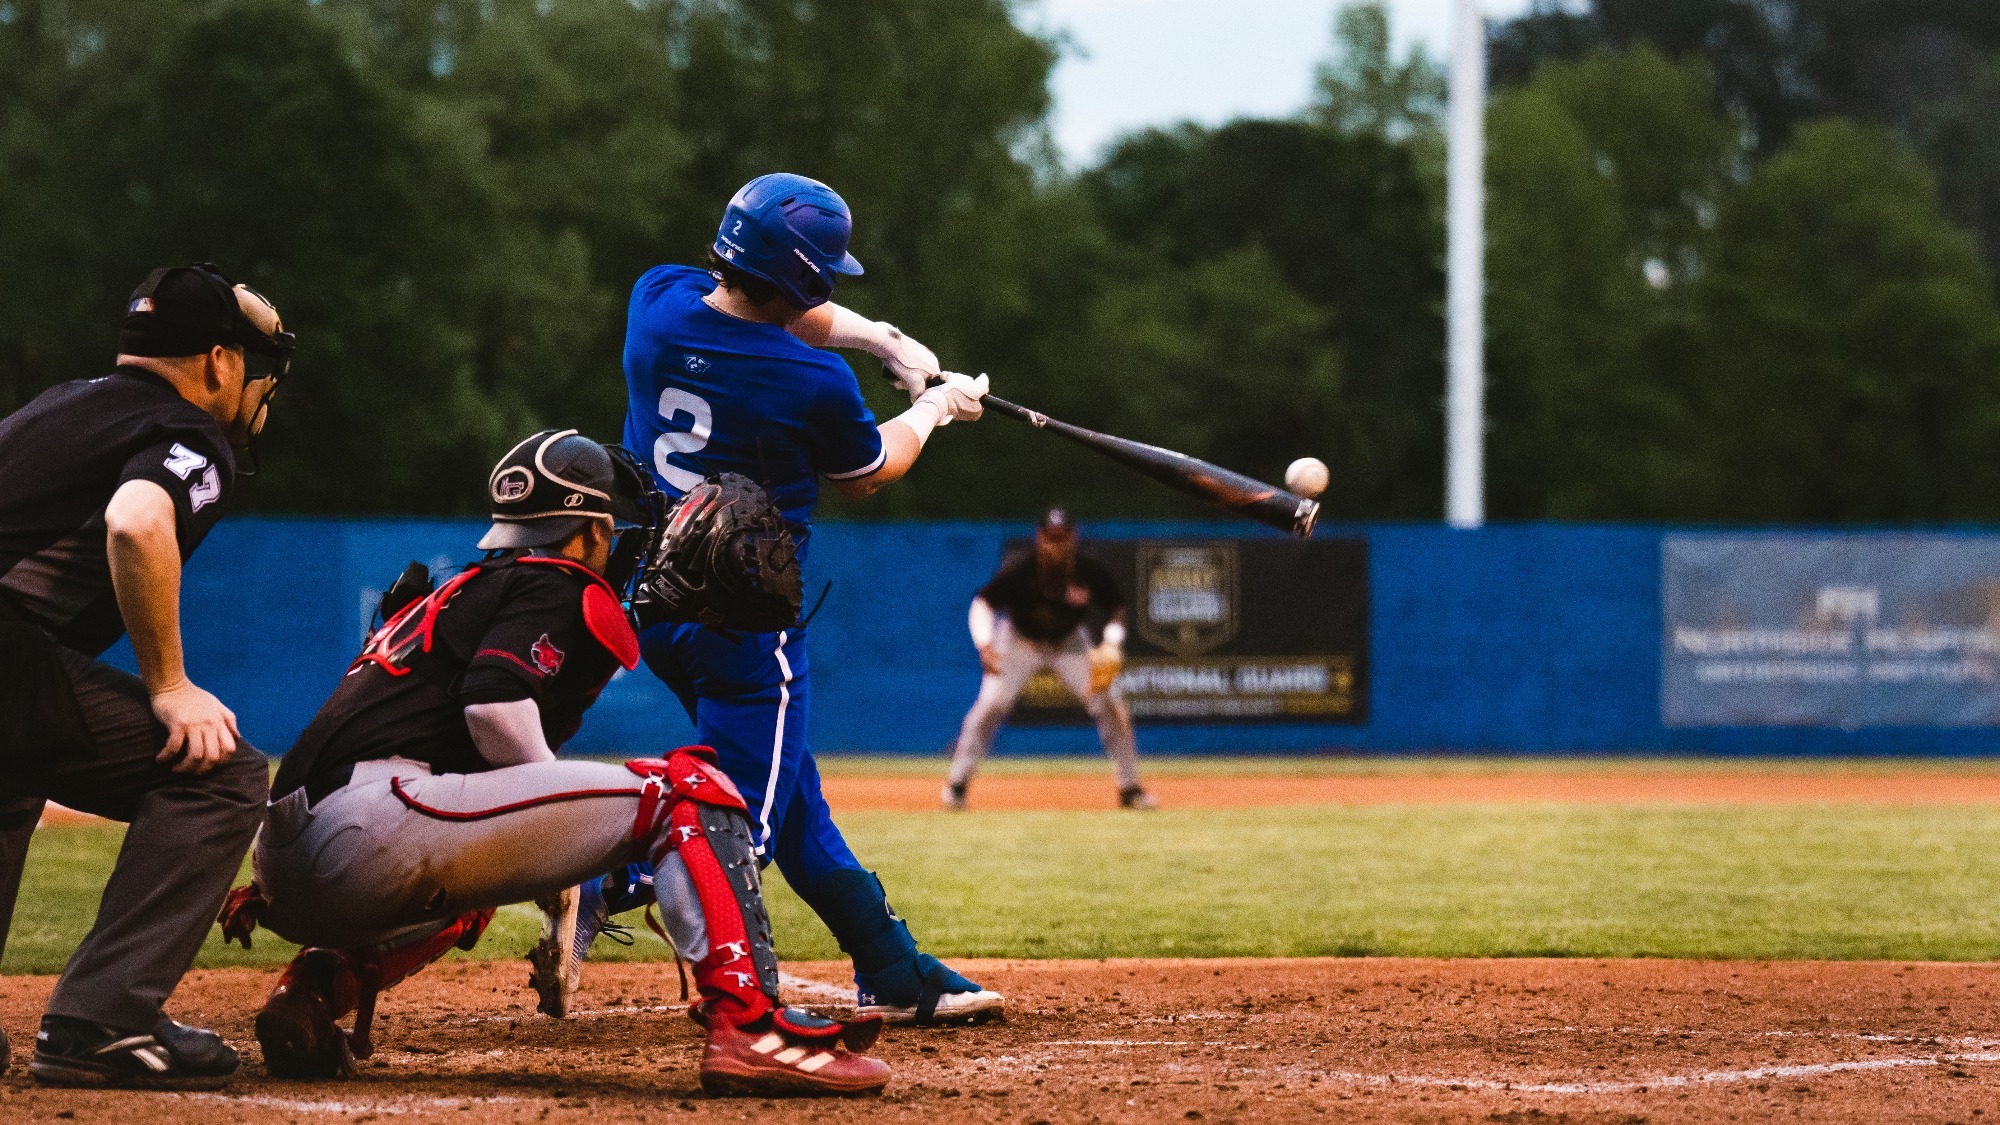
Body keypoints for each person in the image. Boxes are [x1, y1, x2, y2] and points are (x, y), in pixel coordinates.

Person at [224, 431, 891, 1096]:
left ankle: (313, 986)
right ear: (587, 530)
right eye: (614, 523)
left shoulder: (472, 588)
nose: (628, 537)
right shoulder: (554, 580)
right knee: (690, 788)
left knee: (473, 896)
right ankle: (751, 1027)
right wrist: (567, 850)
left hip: (293, 859)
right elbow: (493, 710)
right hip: (371, 825)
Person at [537, 172, 1002, 1028]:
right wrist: (934, 407)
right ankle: (608, 879)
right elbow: (871, 471)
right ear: (805, 277)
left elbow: (768, 306)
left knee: (794, 803)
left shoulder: (657, 303)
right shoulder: (811, 382)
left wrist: (882, 339)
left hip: (655, 600)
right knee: (737, 827)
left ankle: (891, 966)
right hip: (750, 627)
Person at [0, 264, 292, 1087]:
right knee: (226, 775)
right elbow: (136, 521)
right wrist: (168, 684)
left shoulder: (58, 403)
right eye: (257, 369)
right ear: (218, 362)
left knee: (14, 769)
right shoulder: (188, 432)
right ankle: (103, 1021)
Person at [944, 509, 1152, 810]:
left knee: (1110, 702)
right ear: (1040, 538)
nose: (1056, 544)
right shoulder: (1021, 569)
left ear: (1073, 537)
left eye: (1063, 537)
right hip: (1019, 642)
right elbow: (984, 602)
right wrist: (984, 643)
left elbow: (1116, 605)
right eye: (1051, 538)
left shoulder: (1088, 570)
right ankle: (957, 785)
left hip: (1069, 642)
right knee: (990, 705)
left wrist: (1112, 642)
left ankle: (1130, 788)